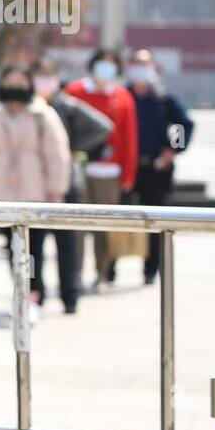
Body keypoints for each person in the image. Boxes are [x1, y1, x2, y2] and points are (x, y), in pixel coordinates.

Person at [0, 64, 72, 323]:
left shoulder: (42, 115)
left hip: (34, 191)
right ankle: (21, 292)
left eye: (20, 82)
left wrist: (56, 190)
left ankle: (34, 294)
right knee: (14, 248)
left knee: (33, 247)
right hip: (1, 191)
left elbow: (57, 156)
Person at [32, 57, 114, 312]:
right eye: (39, 74)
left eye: (48, 74)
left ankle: (70, 294)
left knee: (68, 243)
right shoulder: (28, 107)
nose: (44, 81)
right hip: (33, 185)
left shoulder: (67, 106)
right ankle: (35, 292)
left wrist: (72, 146)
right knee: (32, 243)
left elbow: (103, 126)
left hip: (66, 182)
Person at [65, 48, 138, 290]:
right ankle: (74, 275)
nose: (105, 70)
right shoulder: (75, 92)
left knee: (104, 227)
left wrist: (128, 174)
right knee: (76, 228)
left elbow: (129, 138)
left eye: (111, 65)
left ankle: (102, 274)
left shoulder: (122, 96)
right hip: (79, 169)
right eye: (101, 64)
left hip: (109, 172)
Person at [126, 49, 195, 283]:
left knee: (155, 220)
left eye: (144, 63)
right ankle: (109, 268)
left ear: (154, 67)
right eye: (135, 63)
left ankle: (151, 269)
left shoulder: (164, 98)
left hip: (156, 168)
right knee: (119, 217)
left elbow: (183, 125)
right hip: (127, 167)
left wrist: (172, 150)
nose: (140, 68)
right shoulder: (123, 96)